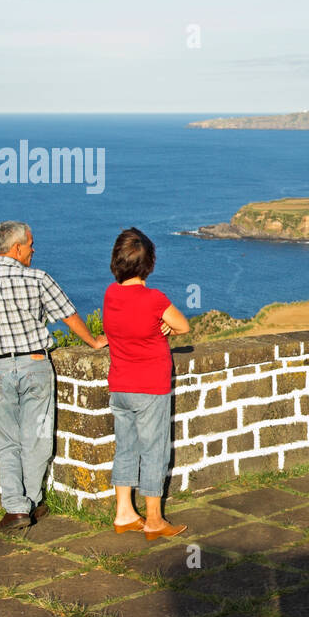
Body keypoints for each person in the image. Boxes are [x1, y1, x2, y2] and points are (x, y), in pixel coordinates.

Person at [0, 221, 107, 531]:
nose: (34, 249)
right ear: (16, 248)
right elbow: (68, 315)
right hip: (35, 366)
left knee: (7, 442)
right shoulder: (38, 278)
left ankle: (17, 508)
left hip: (0, 369)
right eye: (31, 244)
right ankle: (31, 502)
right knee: (38, 438)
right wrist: (94, 342)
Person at [102, 227, 189, 540]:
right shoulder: (154, 299)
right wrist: (163, 326)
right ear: (149, 263)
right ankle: (154, 519)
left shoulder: (111, 294)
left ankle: (124, 512)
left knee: (125, 448)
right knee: (154, 451)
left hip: (120, 385)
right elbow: (183, 326)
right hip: (150, 386)